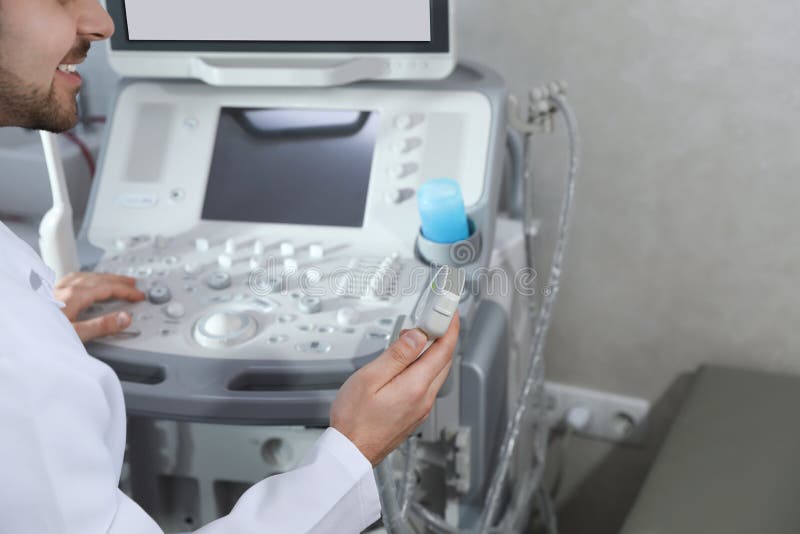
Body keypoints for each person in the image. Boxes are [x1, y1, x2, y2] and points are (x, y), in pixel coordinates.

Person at [0, 1, 459, 532]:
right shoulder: (16, 354)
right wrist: (353, 450)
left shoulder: (23, 338)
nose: (102, 22)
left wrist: (44, 329)